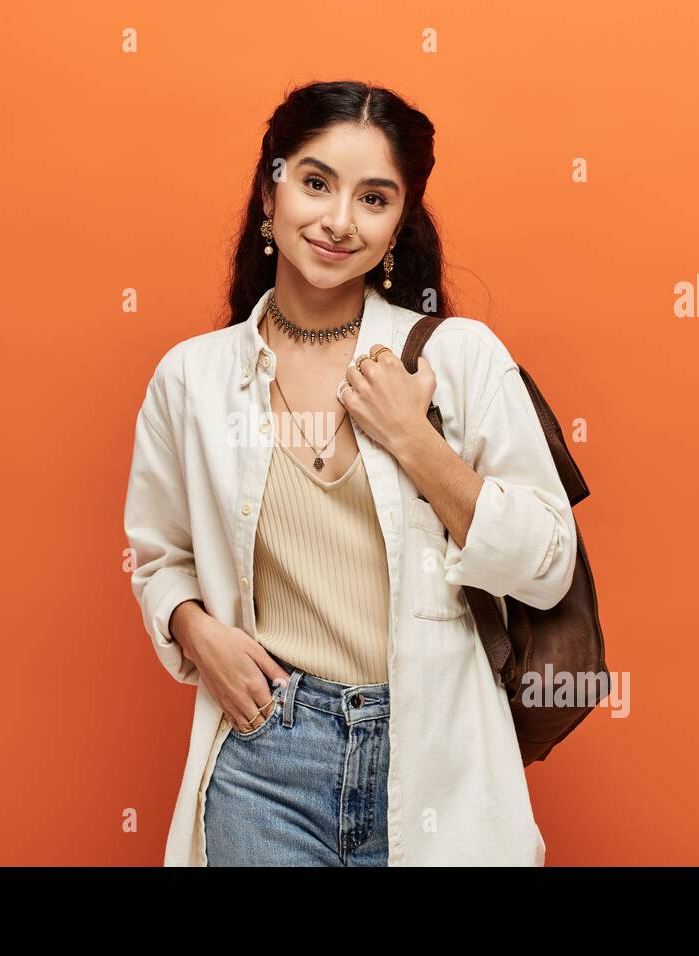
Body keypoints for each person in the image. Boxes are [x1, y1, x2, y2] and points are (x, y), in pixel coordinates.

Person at [123, 80, 576, 866]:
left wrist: (416, 442)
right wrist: (195, 630)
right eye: (315, 182)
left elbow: (546, 564)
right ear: (271, 194)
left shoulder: (458, 360)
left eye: (374, 198)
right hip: (268, 755)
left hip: (436, 753)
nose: (338, 221)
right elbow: (159, 556)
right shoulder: (191, 380)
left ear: (401, 222)